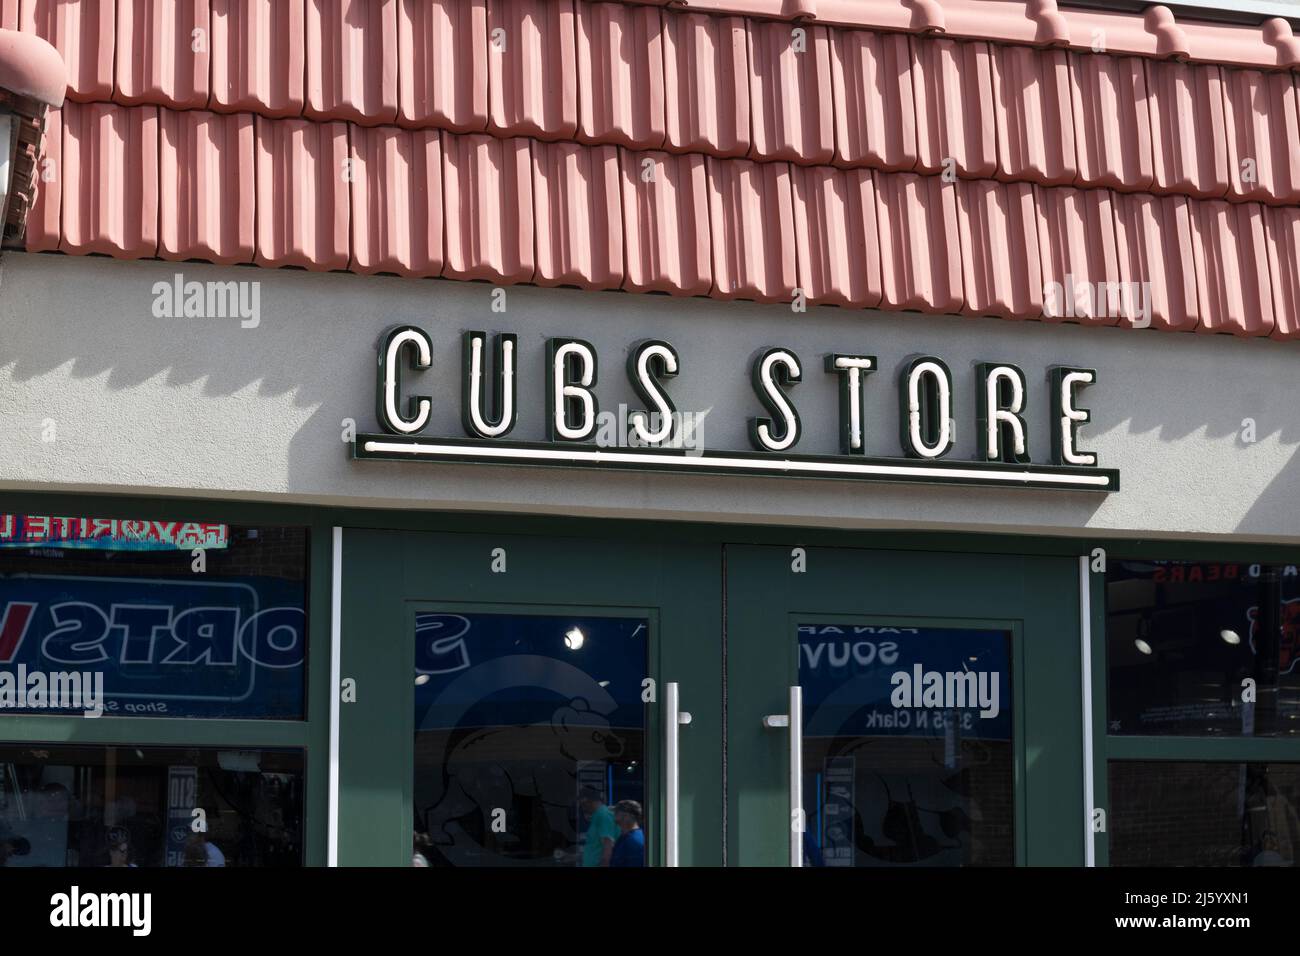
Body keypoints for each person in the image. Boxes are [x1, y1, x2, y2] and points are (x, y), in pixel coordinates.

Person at [578, 788, 618, 867]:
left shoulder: (603, 815)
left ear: (587, 801)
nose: (582, 808)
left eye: (582, 804)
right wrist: (571, 857)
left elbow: (608, 845)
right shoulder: (598, 816)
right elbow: (595, 850)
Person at [609, 800, 644, 868]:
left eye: (616, 813)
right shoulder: (627, 837)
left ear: (626, 816)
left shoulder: (634, 841)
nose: (614, 816)